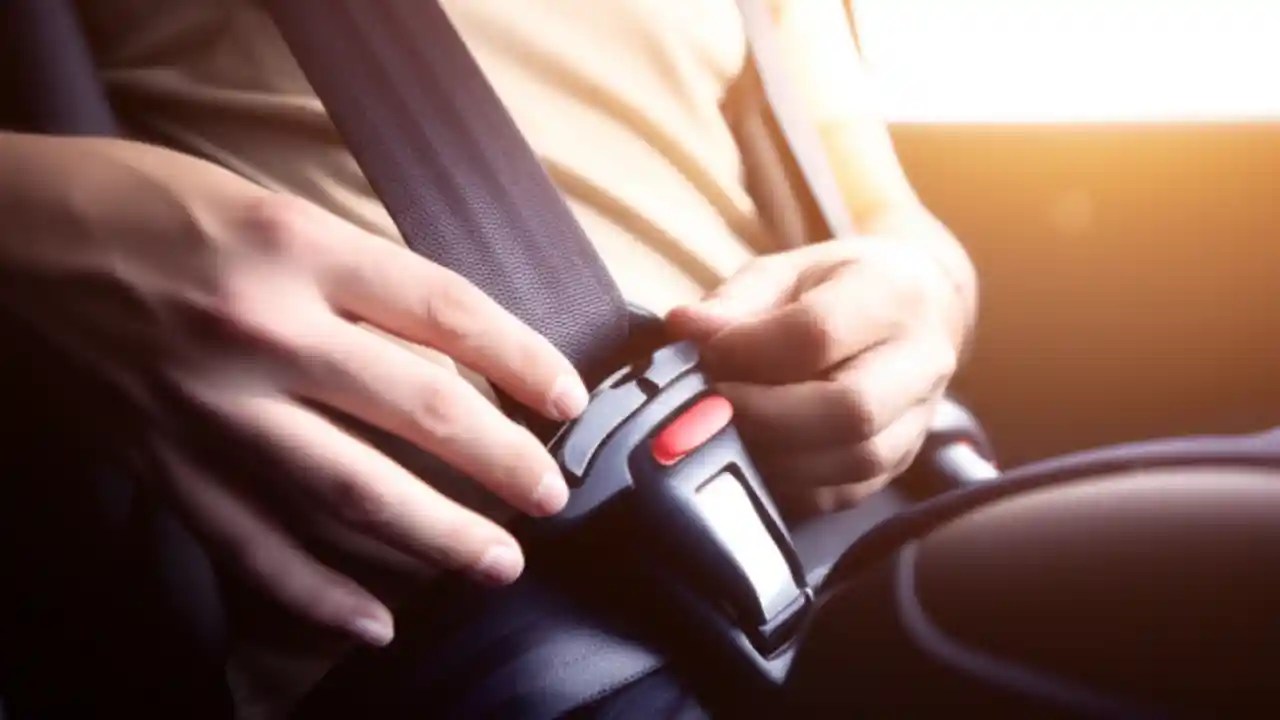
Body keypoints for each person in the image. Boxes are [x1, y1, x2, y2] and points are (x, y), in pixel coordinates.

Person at [0, 0, 976, 716]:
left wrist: (923, 295)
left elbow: (879, 208)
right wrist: (38, 217)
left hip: (864, 548)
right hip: (484, 649)